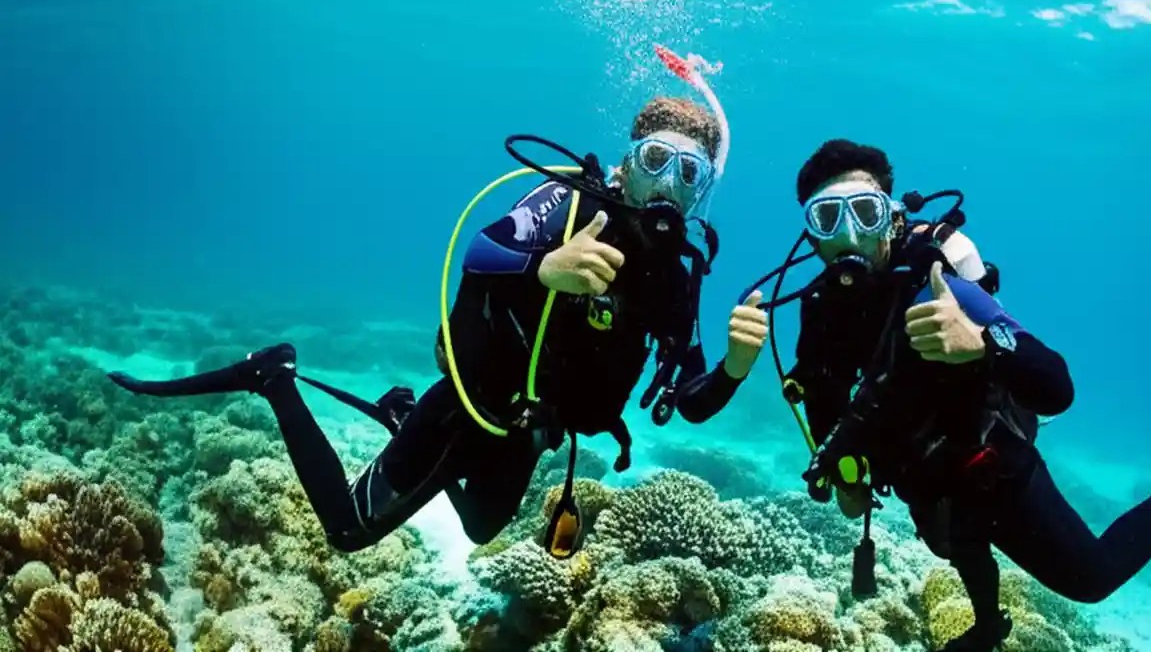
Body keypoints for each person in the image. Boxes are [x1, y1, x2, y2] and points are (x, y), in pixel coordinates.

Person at [106, 93, 771, 556]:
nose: (668, 187)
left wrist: (736, 370)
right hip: (470, 406)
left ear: (702, 190)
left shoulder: (677, 278)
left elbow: (689, 396)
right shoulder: (568, 207)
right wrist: (546, 268)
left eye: (689, 174)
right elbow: (481, 247)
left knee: (482, 530)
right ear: (628, 162)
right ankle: (273, 377)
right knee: (347, 532)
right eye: (656, 161)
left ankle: (395, 412)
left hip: (529, 432)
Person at [747, 139, 1151, 651]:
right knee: (959, 544)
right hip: (924, 478)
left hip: (992, 464)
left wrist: (978, 342)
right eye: (826, 218)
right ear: (811, 235)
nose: (848, 234)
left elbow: (1056, 387)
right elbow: (822, 398)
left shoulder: (940, 284)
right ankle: (987, 626)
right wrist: (846, 475)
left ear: (890, 216)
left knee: (1091, 579)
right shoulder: (819, 310)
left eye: (863, 212)